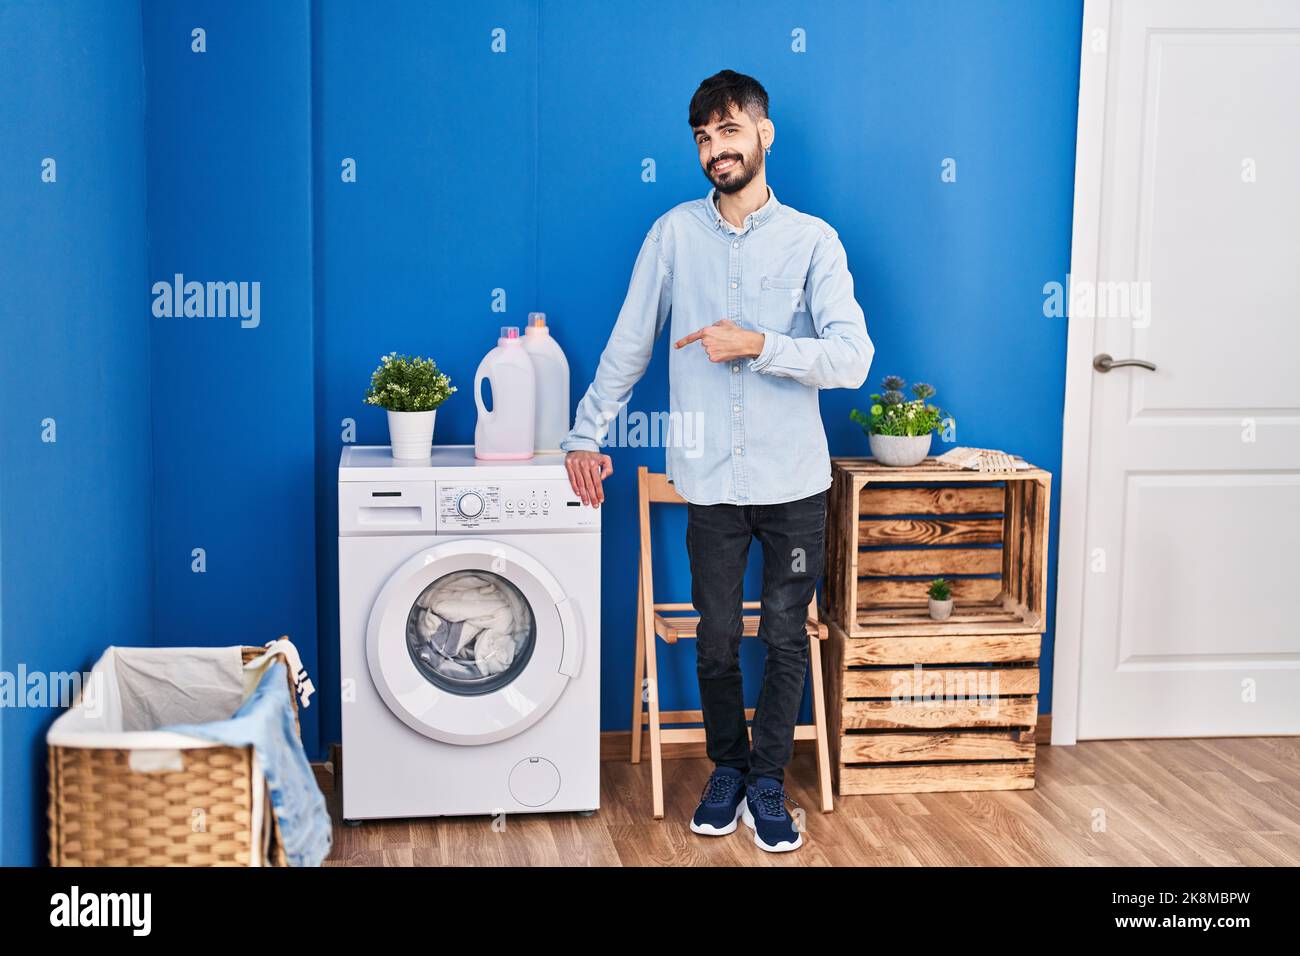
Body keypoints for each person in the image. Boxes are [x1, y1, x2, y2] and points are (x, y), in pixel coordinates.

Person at [560, 69, 873, 852]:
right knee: (715, 637)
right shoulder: (672, 235)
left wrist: (760, 345)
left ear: (764, 135)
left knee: (785, 633)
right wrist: (585, 436)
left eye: (729, 132)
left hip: (794, 481)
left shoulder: (812, 240)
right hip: (710, 482)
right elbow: (629, 345)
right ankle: (727, 768)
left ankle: (769, 783)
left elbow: (853, 358)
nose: (715, 150)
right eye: (703, 138)